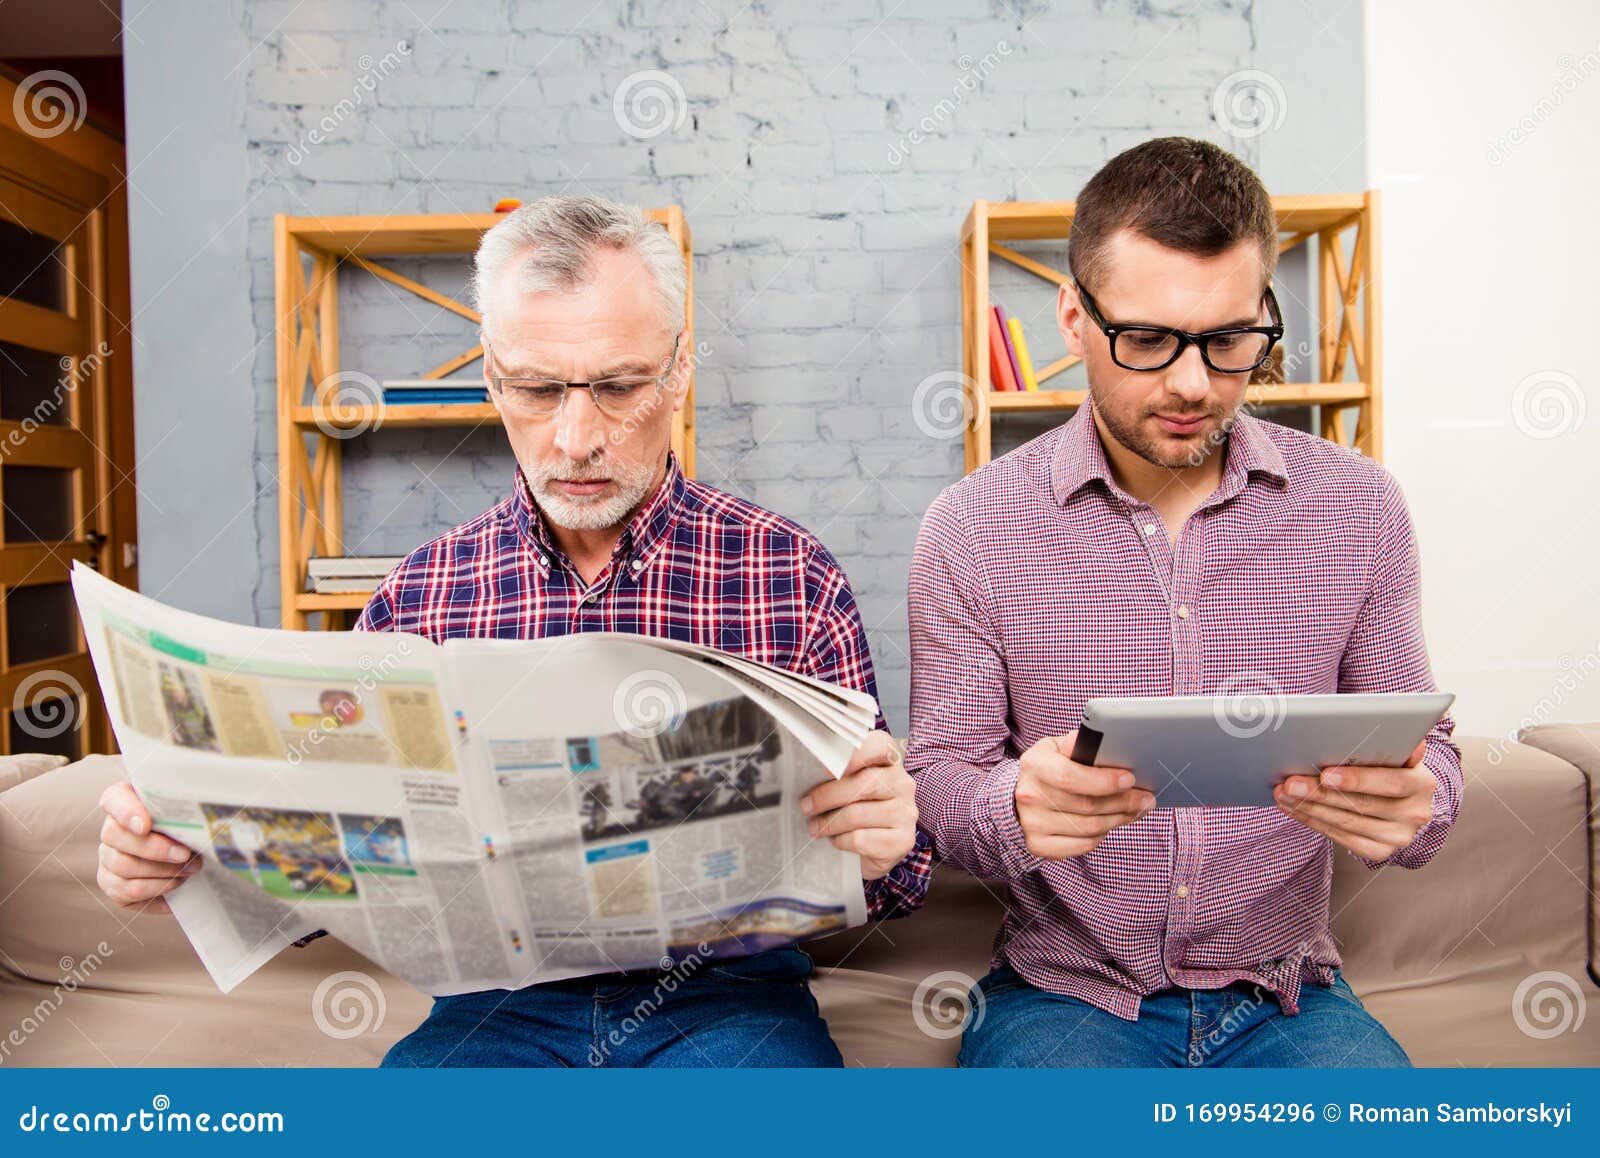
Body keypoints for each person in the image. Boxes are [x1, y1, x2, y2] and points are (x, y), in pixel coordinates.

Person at [95, 195, 929, 1068]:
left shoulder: (787, 573)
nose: (575, 438)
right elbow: (334, 882)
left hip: (724, 1000)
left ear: (679, 372)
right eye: (535, 389)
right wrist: (192, 856)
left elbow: (899, 879)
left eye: (618, 386)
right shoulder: (418, 596)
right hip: (497, 1010)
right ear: (494, 380)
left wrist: (886, 839)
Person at [907, 137, 1461, 1068]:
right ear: (1074, 318)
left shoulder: (1361, 508)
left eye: (1230, 340)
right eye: (1149, 340)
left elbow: (1428, 756)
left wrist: (1422, 804)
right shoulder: (970, 528)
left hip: (1289, 999)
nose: (1195, 384)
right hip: (1065, 996)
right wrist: (1011, 804)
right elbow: (939, 780)